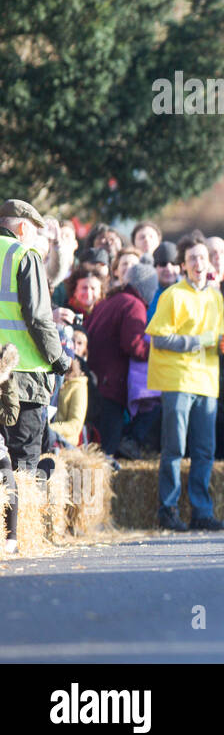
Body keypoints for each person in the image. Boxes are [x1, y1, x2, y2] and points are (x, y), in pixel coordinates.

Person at [146, 236, 224, 532]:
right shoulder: (172, 295)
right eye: (193, 258)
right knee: (174, 447)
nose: (198, 263)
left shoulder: (216, 297)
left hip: (206, 381)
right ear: (184, 265)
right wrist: (200, 341)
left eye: (202, 258)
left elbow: (216, 339)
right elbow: (158, 338)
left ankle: (201, 512)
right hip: (178, 379)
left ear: (209, 263)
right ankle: (167, 510)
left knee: (204, 450)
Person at [0, 200, 72, 554]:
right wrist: (59, 359)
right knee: (23, 458)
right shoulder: (22, 255)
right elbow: (39, 318)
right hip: (23, 375)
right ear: (24, 227)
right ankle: (19, 539)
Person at [85, 262, 156, 459]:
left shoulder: (109, 300)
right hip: (112, 385)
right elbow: (134, 346)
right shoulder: (134, 305)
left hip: (96, 381)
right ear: (146, 286)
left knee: (93, 450)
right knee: (106, 452)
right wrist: (160, 350)